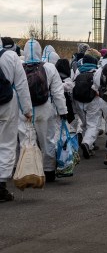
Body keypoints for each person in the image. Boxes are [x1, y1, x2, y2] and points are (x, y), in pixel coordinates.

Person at [20, 39, 67, 182]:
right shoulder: (49, 67)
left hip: (24, 110)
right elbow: (58, 92)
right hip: (44, 108)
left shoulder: (19, 67)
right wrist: (63, 111)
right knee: (47, 140)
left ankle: (28, 171)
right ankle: (48, 170)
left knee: (27, 140)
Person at [1, 37, 32, 202]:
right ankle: (1, 185)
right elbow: (21, 84)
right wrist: (27, 110)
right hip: (7, 104)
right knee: (6, 144)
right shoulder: (11, 57)